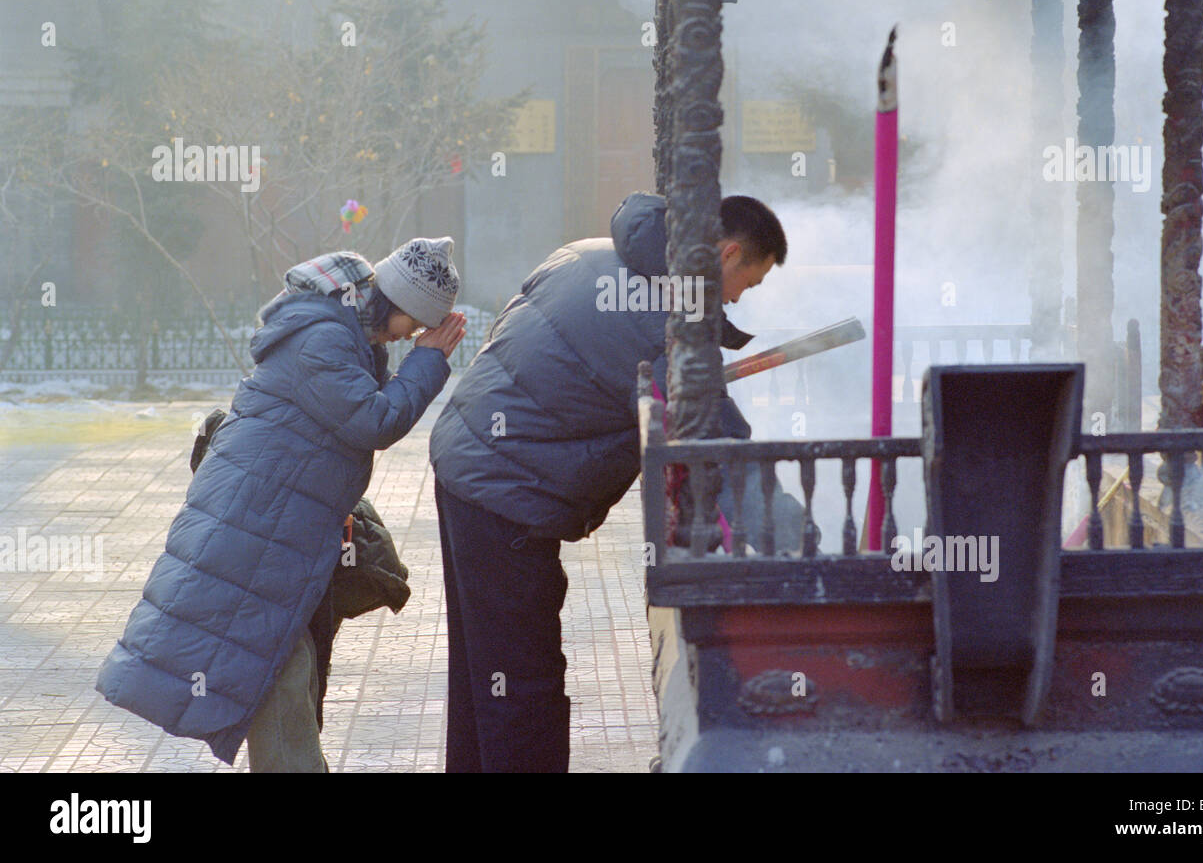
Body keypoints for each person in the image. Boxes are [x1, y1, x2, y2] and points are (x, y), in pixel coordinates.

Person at [429, 192, 788, 772]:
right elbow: (720, 448)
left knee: (484, 675)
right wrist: (799, 533)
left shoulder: (591, 251)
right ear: (727, 252)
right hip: (504, 490)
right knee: (523, 685)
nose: (740, 296)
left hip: (464, 458)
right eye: (750, 279)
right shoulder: (670, 324)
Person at [96, 239, 467, 771]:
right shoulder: (324, 339)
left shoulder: (346, 335)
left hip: (271, 523)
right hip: (252, 524)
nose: (414, 334)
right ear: (397, 300)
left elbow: (329, 435)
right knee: (278, 669)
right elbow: (375, 422)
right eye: (417, 321)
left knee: (284, 663)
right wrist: (429, 362)